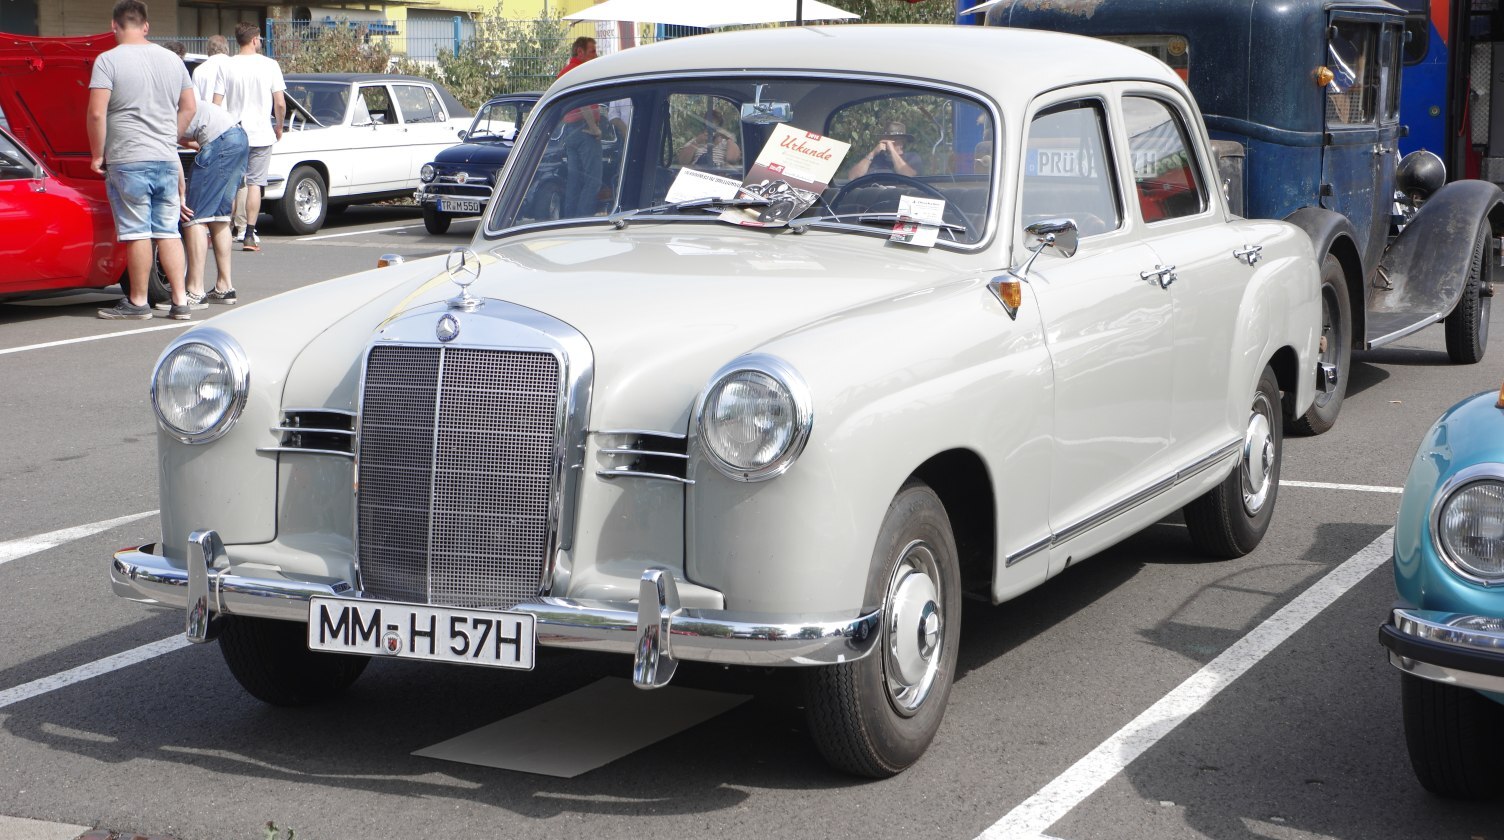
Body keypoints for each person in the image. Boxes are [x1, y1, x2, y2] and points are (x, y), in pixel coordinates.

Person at [88, 0, 196, 321]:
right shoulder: (171, 60)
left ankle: (137, 302)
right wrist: (168, 136)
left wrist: (97, 154)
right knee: (168, 230)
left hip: (128, 158)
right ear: (146, 25)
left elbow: (96, 112)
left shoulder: (107, 60)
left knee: (137, 231)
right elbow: (189, 106)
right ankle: (179, 300)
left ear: (114, 26)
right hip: (165, 157)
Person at [168, 96, 248, 309]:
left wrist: (181, 193)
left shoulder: (161, 109)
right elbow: (185, 140)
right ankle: (224, 286)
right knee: (219, 217)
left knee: (194, 217)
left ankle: (194, 290)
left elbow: (169, 149)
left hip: (219, 141)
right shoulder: (181, 100)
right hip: (238, 137)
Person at [215, 21, 284, 252]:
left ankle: (226, 229)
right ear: (255, 40)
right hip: (261, 133)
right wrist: (279, 127)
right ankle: (249, 234)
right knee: (255, 184)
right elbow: (280, 103)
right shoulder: (270, 65)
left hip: (233, 131)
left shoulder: (226, 65)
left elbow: (216, 103)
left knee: (233, 184)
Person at [557, 37, 602, 217]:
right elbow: (583, 102)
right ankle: (584, 220)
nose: (596, 55)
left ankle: (569, 221)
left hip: (570, 131)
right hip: (585, 129)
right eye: (592, 51)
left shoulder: (565, 72)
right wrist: (594, 128)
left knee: (574, 180)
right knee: (593, 180)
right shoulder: (581, 71)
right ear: (580, 52)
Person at [846, 120, 924, 179]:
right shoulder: (873, 158)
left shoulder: (912, 157)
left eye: (893, 139)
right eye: (886, 138)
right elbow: (852, 177)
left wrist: (892, 151)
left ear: (902, 142)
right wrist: (872, 153)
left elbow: (909, 176)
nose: (887, 141)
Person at [676, 110, 741, 168]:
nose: (710, 130)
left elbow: (732, 159)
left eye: (714, 127)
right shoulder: (695, 142)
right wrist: (697, 142)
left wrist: (728, 139)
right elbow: (682, 161)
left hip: (719, 177)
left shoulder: (727, 143)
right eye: (707, 126)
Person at [193, 35, 231, 103]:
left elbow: (196, 102)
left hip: (208, 112)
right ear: (227, 48)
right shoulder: (234, 66)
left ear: (208, 49)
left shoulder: (199, 70)